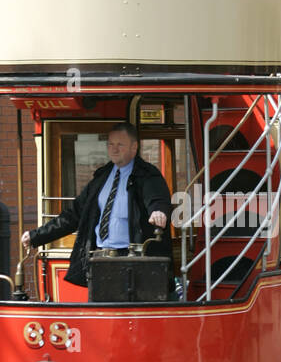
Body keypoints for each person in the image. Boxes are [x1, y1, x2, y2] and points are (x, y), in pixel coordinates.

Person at [22, 124, 171, 290]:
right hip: (100, 257)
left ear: (134, 147)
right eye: (110, 144)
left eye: (120, 145)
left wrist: (158, 212)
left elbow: (157, 199)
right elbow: (73, 215)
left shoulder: (147, 174)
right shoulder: (102, 176)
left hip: (132, 260)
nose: (114, 149)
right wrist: (36, 236)